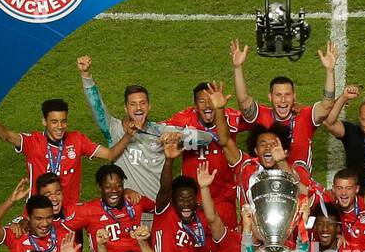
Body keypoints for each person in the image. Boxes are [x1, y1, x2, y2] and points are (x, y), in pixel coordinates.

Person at [77, 56, 215, 201]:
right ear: (126, 108)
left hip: (158, 210)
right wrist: (86, 75)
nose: (138, 108)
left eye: (143, 103)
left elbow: (207, 138)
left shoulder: (162, 130)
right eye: (133, 104)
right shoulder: (114, 129)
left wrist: (179, 137)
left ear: (149, 107)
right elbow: (96, 106)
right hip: (130, 211)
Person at [0, 97, 129, 207]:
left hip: (70, 216)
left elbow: (110, 154)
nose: (60, 126)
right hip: (39, 215)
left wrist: (129, 134)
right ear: (44, 121)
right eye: (54, 122)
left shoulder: (77, 140)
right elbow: (6, 136)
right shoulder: (32, 142)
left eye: (63, 121)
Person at [231, 39, 337, 174]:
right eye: (278, 95)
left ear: (294, 96)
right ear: (270, 97)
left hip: (299, 186)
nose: (283, 100)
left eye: (287, 95)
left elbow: (327, 106)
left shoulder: (304, 116)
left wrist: (330, 71)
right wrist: (237, 68)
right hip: (264, 185)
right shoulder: (261, 115)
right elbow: (243, 100)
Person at [168, 81, 249, 226]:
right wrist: (173, 136)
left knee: (227, 246)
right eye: (201, 101)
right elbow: (159, 131)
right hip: (193, 201)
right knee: (195, 246)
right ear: (195, 105)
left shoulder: (231, 117)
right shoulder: (182, 120)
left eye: (211, 100)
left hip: (223, 201)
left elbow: (256, 118)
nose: (207, 105)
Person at [65, 163, 155, 252]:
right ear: (100, 187)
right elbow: (60, 224)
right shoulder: (88, 210)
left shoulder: (135, 201)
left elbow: (160, 209)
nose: (114, 190)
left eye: (118, 186)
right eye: (108, 187)